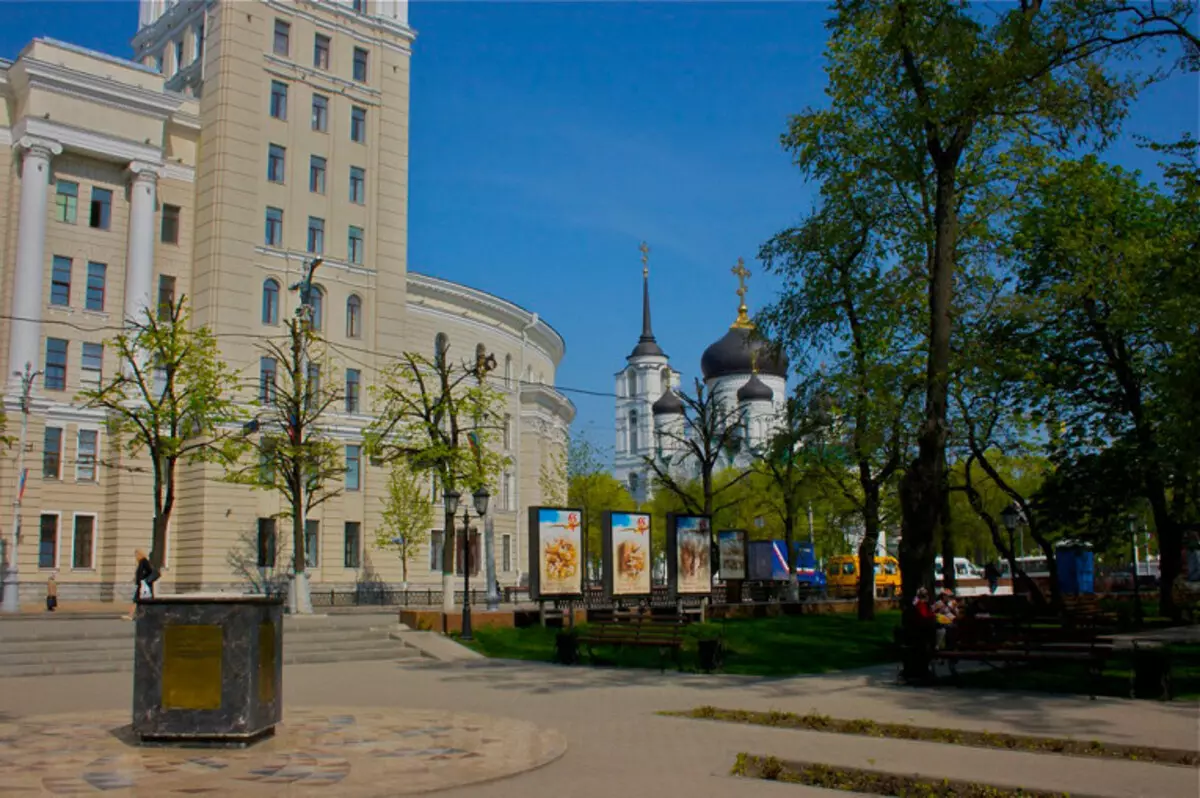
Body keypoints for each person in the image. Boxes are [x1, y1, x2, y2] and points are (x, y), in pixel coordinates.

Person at [126, 550, 158, 620]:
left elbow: (149, 571)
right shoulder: (141, 562)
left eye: (136, 554)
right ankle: (139, 615)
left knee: (137, 600)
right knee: (140, 601)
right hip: (142, 585)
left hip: (143, 585)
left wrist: (143, 578)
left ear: (140, 554)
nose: (136, 556)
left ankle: (131, 615)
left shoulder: (144, 561)